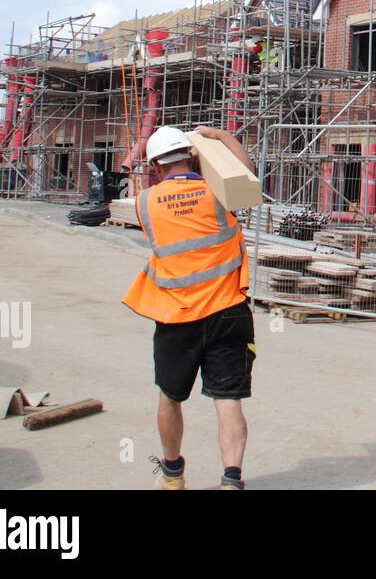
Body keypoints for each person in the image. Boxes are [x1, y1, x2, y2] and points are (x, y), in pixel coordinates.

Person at [122, 125, 258, 491]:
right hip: (228, 311)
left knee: (170, 396)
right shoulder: (219, 193)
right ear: (193, 157)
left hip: (176, 315)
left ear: (156, 166)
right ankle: (231, 480)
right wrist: (219, 137)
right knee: (228, 400)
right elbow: (247, 176)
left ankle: (172, 474)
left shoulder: (144, 203)